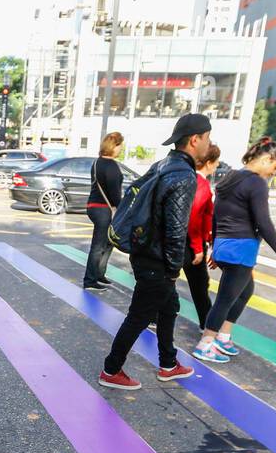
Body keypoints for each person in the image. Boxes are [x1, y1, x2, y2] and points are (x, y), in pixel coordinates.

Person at [97, 113, 210, 392]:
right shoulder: (184, 175)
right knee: (139, 315)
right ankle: (111, 369)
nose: (209, 144)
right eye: (207, 138)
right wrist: (173, 269)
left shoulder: (164, 164)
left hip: (144, 249)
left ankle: (168, 364)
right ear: (195, 140)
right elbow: (175, 228)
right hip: (157, 259)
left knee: (169, 306)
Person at [192, 137, 276, 364]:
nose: (273, 173)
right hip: (241, 248)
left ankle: (223, 336)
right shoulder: (257, 183)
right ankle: (206, 344)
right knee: (225, 299)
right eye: (275, 167)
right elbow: (263, 222)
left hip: (225, 246)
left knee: (245, 291)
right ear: (267, 159)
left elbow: (217, 215)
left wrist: (214, 247)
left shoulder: (230, 177)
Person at [184, 144, 220, 330]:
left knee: (167, 282)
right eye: (216, 161)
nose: (218, 165)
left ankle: (153, 317)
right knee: (199, 285)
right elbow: (194, 217)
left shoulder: (187, 177)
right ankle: (207, 325)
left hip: (181, 239)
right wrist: (198, 247)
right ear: (208, 163)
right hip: (190, 243)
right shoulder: (202, 184)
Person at [82, 131, 124, 290]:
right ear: (115, 146)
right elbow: (114, 194)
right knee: (99, 246)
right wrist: (122, 209)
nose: (120, 150)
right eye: (120, 146)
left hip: (93, 206)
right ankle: (90, 280)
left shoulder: (96, 162)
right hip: (103, 210)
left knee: (108, 242)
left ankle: (99, 274)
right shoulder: (112, 166)